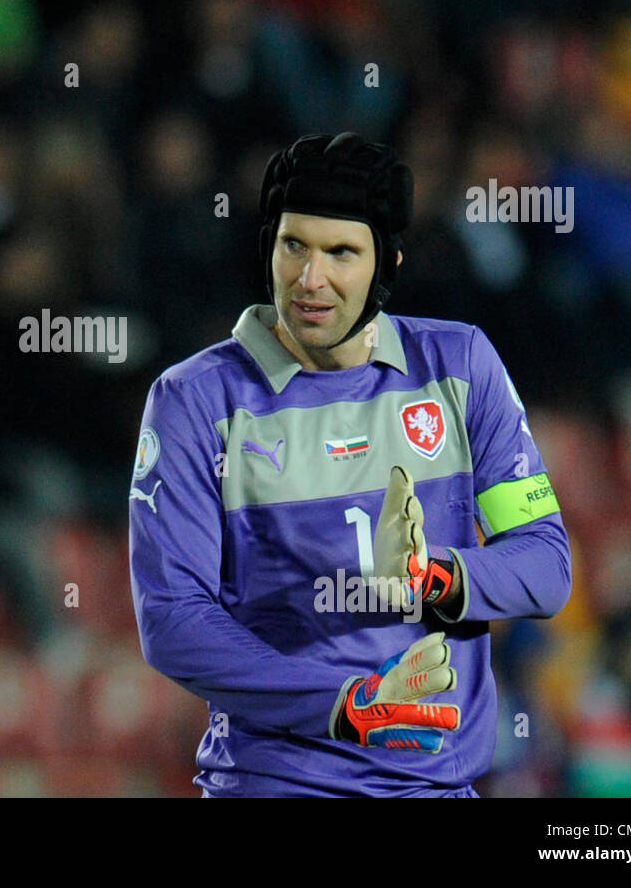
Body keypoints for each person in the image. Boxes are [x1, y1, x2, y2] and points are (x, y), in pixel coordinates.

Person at [128, 132, 571, 797]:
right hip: (278, 784)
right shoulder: (194, 401)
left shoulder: (460, 367)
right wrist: (347, 702)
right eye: (294, 246)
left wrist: (436, 576)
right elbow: (173, 620)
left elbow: (546, 565)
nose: (311, 279)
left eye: (341, 253)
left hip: (440, 786)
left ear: (386, 264)